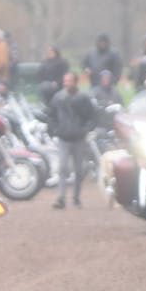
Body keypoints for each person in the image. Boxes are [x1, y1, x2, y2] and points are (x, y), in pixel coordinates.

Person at [46, 70, 96, 209]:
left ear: (75, 82)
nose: (66, 83)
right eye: (65, 81)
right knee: (62, 168)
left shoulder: (83, 98)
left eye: (69, 81)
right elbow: (51, 115)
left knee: (79, 170)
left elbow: (91, 117)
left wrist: (85, 130)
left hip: (79, 138)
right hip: (64, 138)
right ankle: (61, 198)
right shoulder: (58, 97)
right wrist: (56, 130)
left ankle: (76, 197)